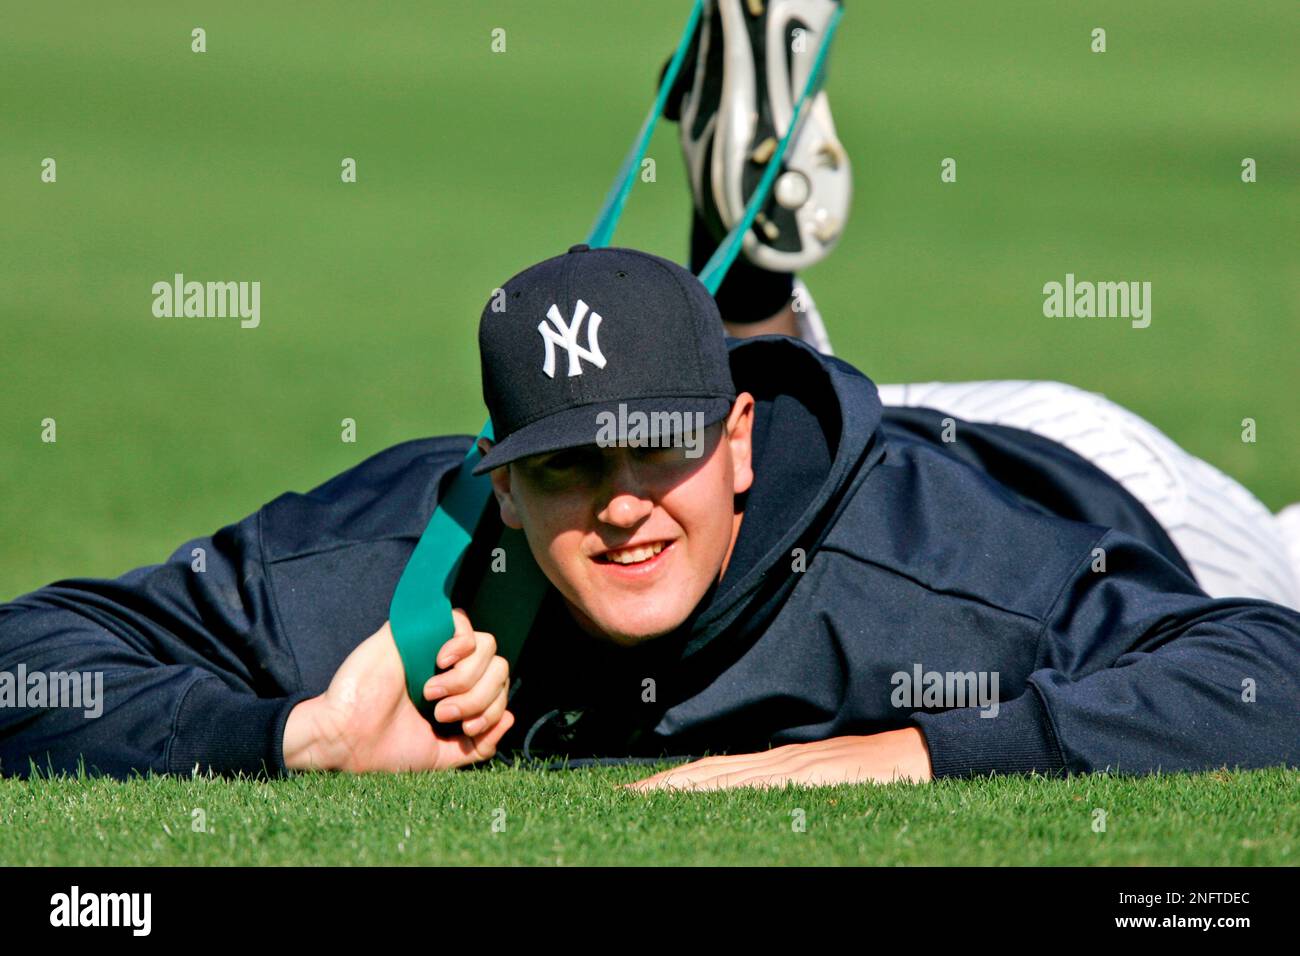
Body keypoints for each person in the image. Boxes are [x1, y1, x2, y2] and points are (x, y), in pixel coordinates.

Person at [3, 0, 1298, 788]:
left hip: (1079, 470)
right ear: (502, 480)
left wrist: (890, 755)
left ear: (730, 442)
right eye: (570, 466)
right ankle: (744, 290)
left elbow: (1261, 675)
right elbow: (26, 667)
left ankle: (749, 291)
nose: (617, 505)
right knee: (695, 427)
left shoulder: (949, 587)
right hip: (778, 446)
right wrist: (293, 736)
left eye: (652, 453)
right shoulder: (411, 578)